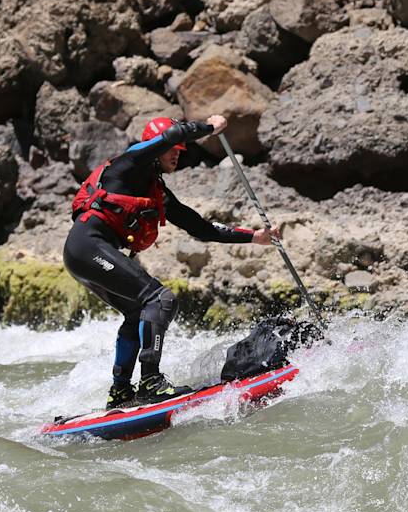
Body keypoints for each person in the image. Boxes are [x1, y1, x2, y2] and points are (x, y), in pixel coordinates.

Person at [64, 114, 280, 409]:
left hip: (85, 254)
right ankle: (152, 382)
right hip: (87, 247)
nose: (177, 154)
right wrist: (209, 128)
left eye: (179, 152)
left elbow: (200, 228)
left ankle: (121, 391)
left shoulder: (157, 192)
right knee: (160, 299)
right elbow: (170, 135)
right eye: (172, 151)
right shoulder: (130, 163)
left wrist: (254, 237)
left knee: (138, 311)